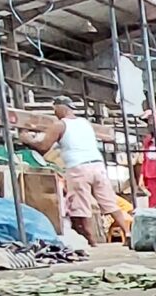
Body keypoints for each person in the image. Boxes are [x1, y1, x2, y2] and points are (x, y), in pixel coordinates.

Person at [31, 100, 110, 240]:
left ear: (61, 108)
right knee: (109, 204)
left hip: (78, 167)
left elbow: (43, 146)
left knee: (80, 207)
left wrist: (27, 139)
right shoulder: (84, 123)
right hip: (97, 165)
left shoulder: (60, 125)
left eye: (55, 109)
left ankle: (91, 241)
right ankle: (127, 232)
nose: (55, 113)